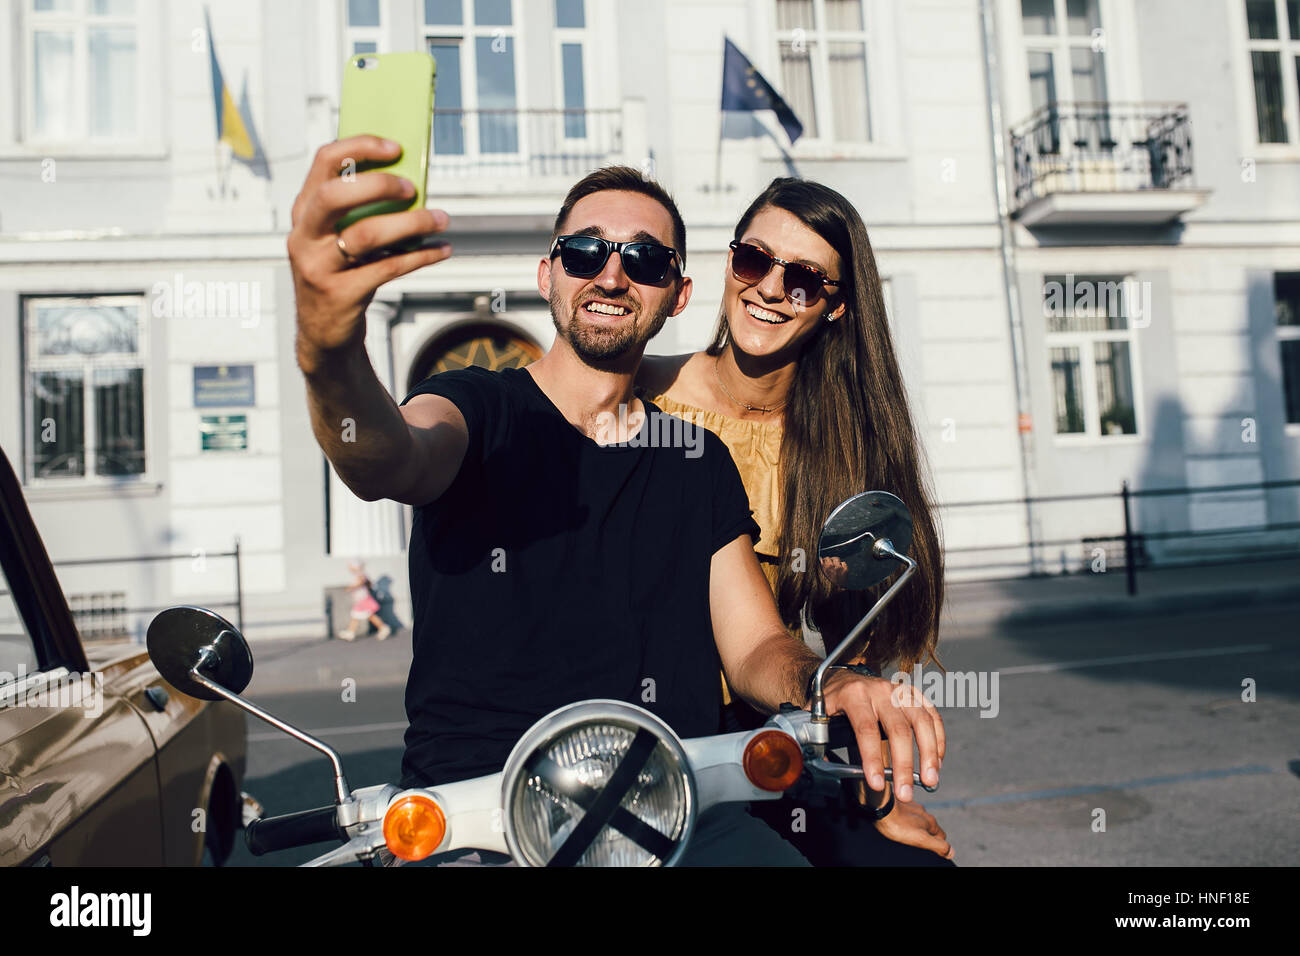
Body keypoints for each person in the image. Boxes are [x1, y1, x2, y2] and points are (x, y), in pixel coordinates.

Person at [287, 139, 944, 864]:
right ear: (547, 274)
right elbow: (385, 457)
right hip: (480, 824)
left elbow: (756, 643)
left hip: (682, 813)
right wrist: (329, 343)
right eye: (584, 252)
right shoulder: (476, 406)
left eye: (645, 260)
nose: (611, 272)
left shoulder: (698, 461)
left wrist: (833, 682)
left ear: (677, 294)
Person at [638, 177, 955, 865]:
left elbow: (856, 645)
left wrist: (883, 794)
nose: (771, 289)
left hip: (768, 728)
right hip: (637, 731)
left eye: (805, 279)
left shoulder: (844, 448)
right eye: (753, 260)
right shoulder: (640, 398)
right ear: (728, 263)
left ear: (837, 306)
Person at [336, 559, 391, 641]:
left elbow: (361, 583)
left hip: (364, 600)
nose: (350, 569)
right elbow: (368, 584)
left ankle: (383, 628)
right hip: (362, 599)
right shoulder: (360, 575)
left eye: (351, 567)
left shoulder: (360, 575)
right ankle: (351, 632)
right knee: (361, 615)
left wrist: (350, 588)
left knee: (363, 615)